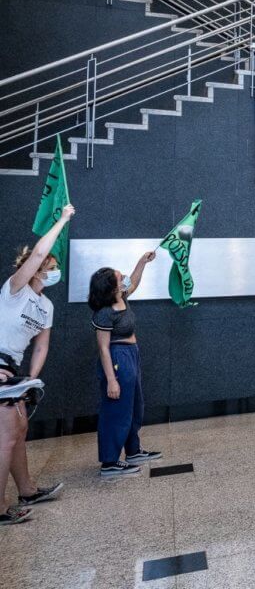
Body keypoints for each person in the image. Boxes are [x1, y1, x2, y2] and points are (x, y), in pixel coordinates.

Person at [0, 205, 73, 525]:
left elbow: (41, 344)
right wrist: (62, 219)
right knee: (6, 436)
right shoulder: (15, 289)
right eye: (51, 265)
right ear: (37, 267)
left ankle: (27, 489)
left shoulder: (46, 305)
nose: (54, 269)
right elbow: (40, 249)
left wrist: (30, 380)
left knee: (18, 429)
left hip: (13, 370)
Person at [88, 251, 162, 479]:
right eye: (120, 278)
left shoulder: (122, 297)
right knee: (116, 410)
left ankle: (133, 451)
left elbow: (135, 281)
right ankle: (109, 462)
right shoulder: (105, 313)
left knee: (134, 405)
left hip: (132, 354)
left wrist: (142, 261)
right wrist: (111, 379)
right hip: (118, 358)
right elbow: (103, 348)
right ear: (111, 288)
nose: (125, 279)